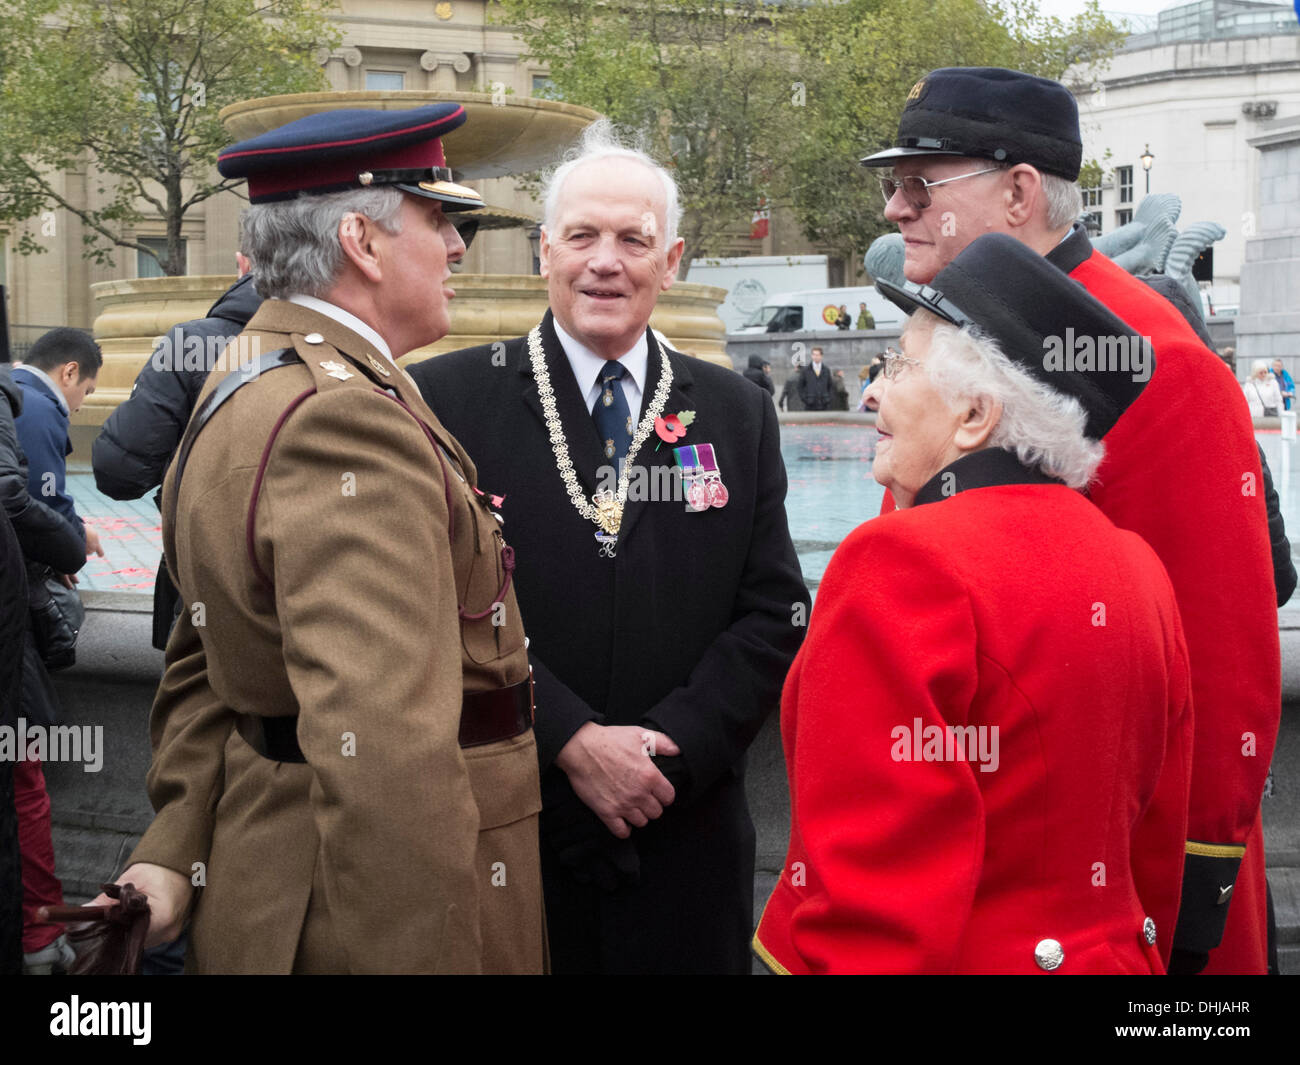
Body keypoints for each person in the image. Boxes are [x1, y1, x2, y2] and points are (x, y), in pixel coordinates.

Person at [96, 103, 546, 974]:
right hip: (357, 914)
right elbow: (388, 757)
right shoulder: (342, 419)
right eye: (438, 218)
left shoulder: (247, 374)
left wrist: (174, 837)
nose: (458, 247)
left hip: (279, 878)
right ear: (362, 241)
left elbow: (205, 649)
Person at [861, 65, 1279, 975]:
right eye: (892, 186)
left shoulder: (1162, 360)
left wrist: (1192, 902)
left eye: (919, 185)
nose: (895, 211)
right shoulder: (957, 329)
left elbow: (1226, 654)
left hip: (1125, 902)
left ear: (1018, 192)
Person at [410, 120, 808, 975]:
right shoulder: (446, 398)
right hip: (518, 829)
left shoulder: (738, 412)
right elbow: (426, 601)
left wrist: (669, 745)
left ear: (672, 262)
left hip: (685, 832)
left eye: (634, 239)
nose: (605, 261)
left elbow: (775, 609)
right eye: (583, 236)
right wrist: (570, 739)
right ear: (543, 252)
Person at [755, 233, 1192, 974]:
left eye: (897, 365)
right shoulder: (1138, 568)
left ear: (974, 418)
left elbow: (872, 914)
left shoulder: (901, 561)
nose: (872, 391)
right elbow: (1155, 849)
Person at [92, 258, 264, 651]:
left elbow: (119, 472)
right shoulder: (361, 345)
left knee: (197, 698)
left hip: (208, 574)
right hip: (325, 587)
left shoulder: (196, 344)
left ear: (242, 264)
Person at [1, 360, 87, 974]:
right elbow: (13, 494)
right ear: (72, 370)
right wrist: (68, 543)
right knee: (23, 777)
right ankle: (38, 935)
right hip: (11, 636)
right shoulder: (22, 401)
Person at [799, 346, 833, 411]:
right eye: (814, 354)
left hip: (824, 404)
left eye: (817, 355)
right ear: (811, 356)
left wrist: (828, 399)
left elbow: (830, 386)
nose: (815, 357)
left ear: (821, 356)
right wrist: (806, 399)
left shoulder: (826, 370)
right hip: (810, 404)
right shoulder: (806, 371)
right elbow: (800, 386)